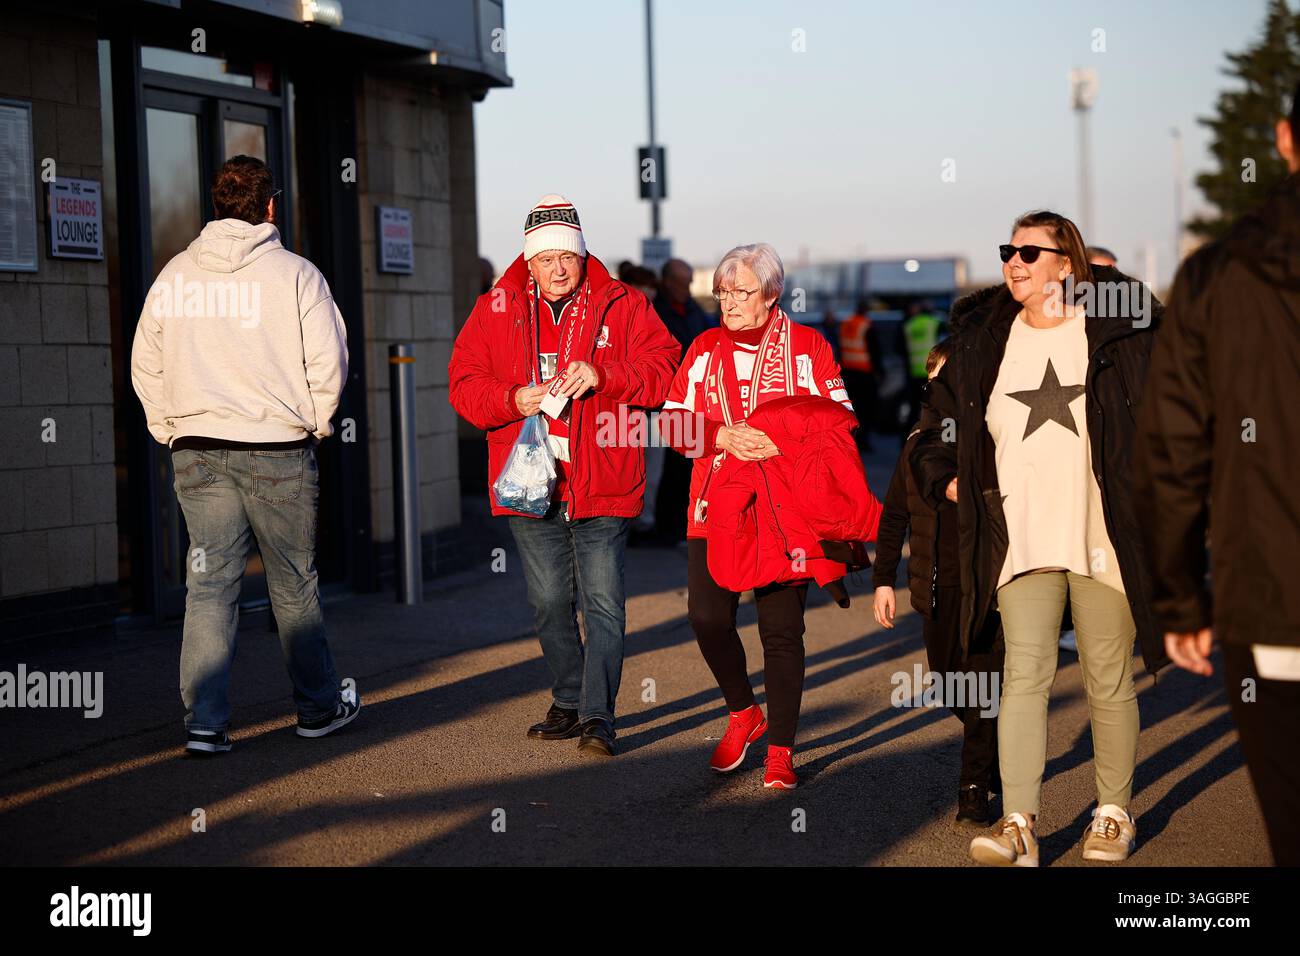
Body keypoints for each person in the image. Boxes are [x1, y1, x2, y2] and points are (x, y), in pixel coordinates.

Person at [914, 210, 1164, 866]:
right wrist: (944, 477)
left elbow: (1172, 413)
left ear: (1068, 263)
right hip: (1017, 537)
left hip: (1101, 531)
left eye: (1030, 251)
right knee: (1023, 675)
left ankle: (1112, 814)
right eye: (1008, 250)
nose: (1014, 262)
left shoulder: (1116, 332)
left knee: (1106, 677)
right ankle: (1019, 823)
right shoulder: (983, 339)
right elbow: (935, 423)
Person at [130, 155, 357, 756]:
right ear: (271, 207)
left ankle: (204, 724)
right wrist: (315, 420)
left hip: (198, 451)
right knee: (293, 586)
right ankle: (317, 711)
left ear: (216, 205)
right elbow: (329, 362)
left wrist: (168, 426)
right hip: (278, 448)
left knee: (208, 586)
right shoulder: (298, 276)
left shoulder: (174, 276)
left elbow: (145, 362)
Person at [1133, 84, 1300, 866]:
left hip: (1272, 601)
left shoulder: (1217, 277)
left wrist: (1178, 598)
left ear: (1283, 138)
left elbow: (1170, 456)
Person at [448, 195, 679, 757]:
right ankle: (569, 699)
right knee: (550, 601)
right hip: (528, 481)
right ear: (528, 261)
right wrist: (512, 397)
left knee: (603, 603)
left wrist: (604, 374)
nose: (557, 268)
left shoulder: (622, 304)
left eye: (567, 257)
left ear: (582, 255)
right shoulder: (496, 306)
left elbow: (665, 370)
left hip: (603, 476)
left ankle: (599, 715)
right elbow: (463, 383)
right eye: (546, 258)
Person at [658, 243, 856, 790]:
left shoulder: (808, 347)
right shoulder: (701, 347)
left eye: (741, 291)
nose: (729, 301)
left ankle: (781, 750)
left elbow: (841, 421)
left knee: (782, 631)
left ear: (772, 294)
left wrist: (781, 439)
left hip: (785, 511)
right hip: (713, 507)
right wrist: (720, 435)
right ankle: (744, 713)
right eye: (722, 292)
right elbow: (670, 425)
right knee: (707, 618)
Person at [873, 338, 1003, 824]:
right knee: (951, 685)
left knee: (982, 681)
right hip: (936, 587)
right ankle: (995, 758)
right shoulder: (915, 446)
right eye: (934, 380)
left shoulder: (989, 440)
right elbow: (893, 518)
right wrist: (883, 579)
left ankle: (974, 790)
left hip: (985, 585)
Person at [650, 258, 714, 544]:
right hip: (664, 401)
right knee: (665, 471)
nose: (686, 287)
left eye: (688, 281)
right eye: (680, 281)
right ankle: (665, 528)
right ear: (666, 281)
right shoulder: (655, 311)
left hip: (694, 398)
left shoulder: (693, 310)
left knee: (689, 467)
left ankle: (683, 525)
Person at [838, 297, 883, 449]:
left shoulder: (845, 324)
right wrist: (879, 372)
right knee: (866, 409)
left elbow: (839, 348)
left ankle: (850, 439)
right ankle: (862, 441)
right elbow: (874, 352)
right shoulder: (866, 326)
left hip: (848, 372)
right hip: (864, 373)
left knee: (850, 408)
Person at [900, 301, 943, 429]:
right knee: (932, 407)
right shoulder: (933, 323)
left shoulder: (908, 326)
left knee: (913, 408)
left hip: (913, 372)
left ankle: (908, 438)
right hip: (929, 371)